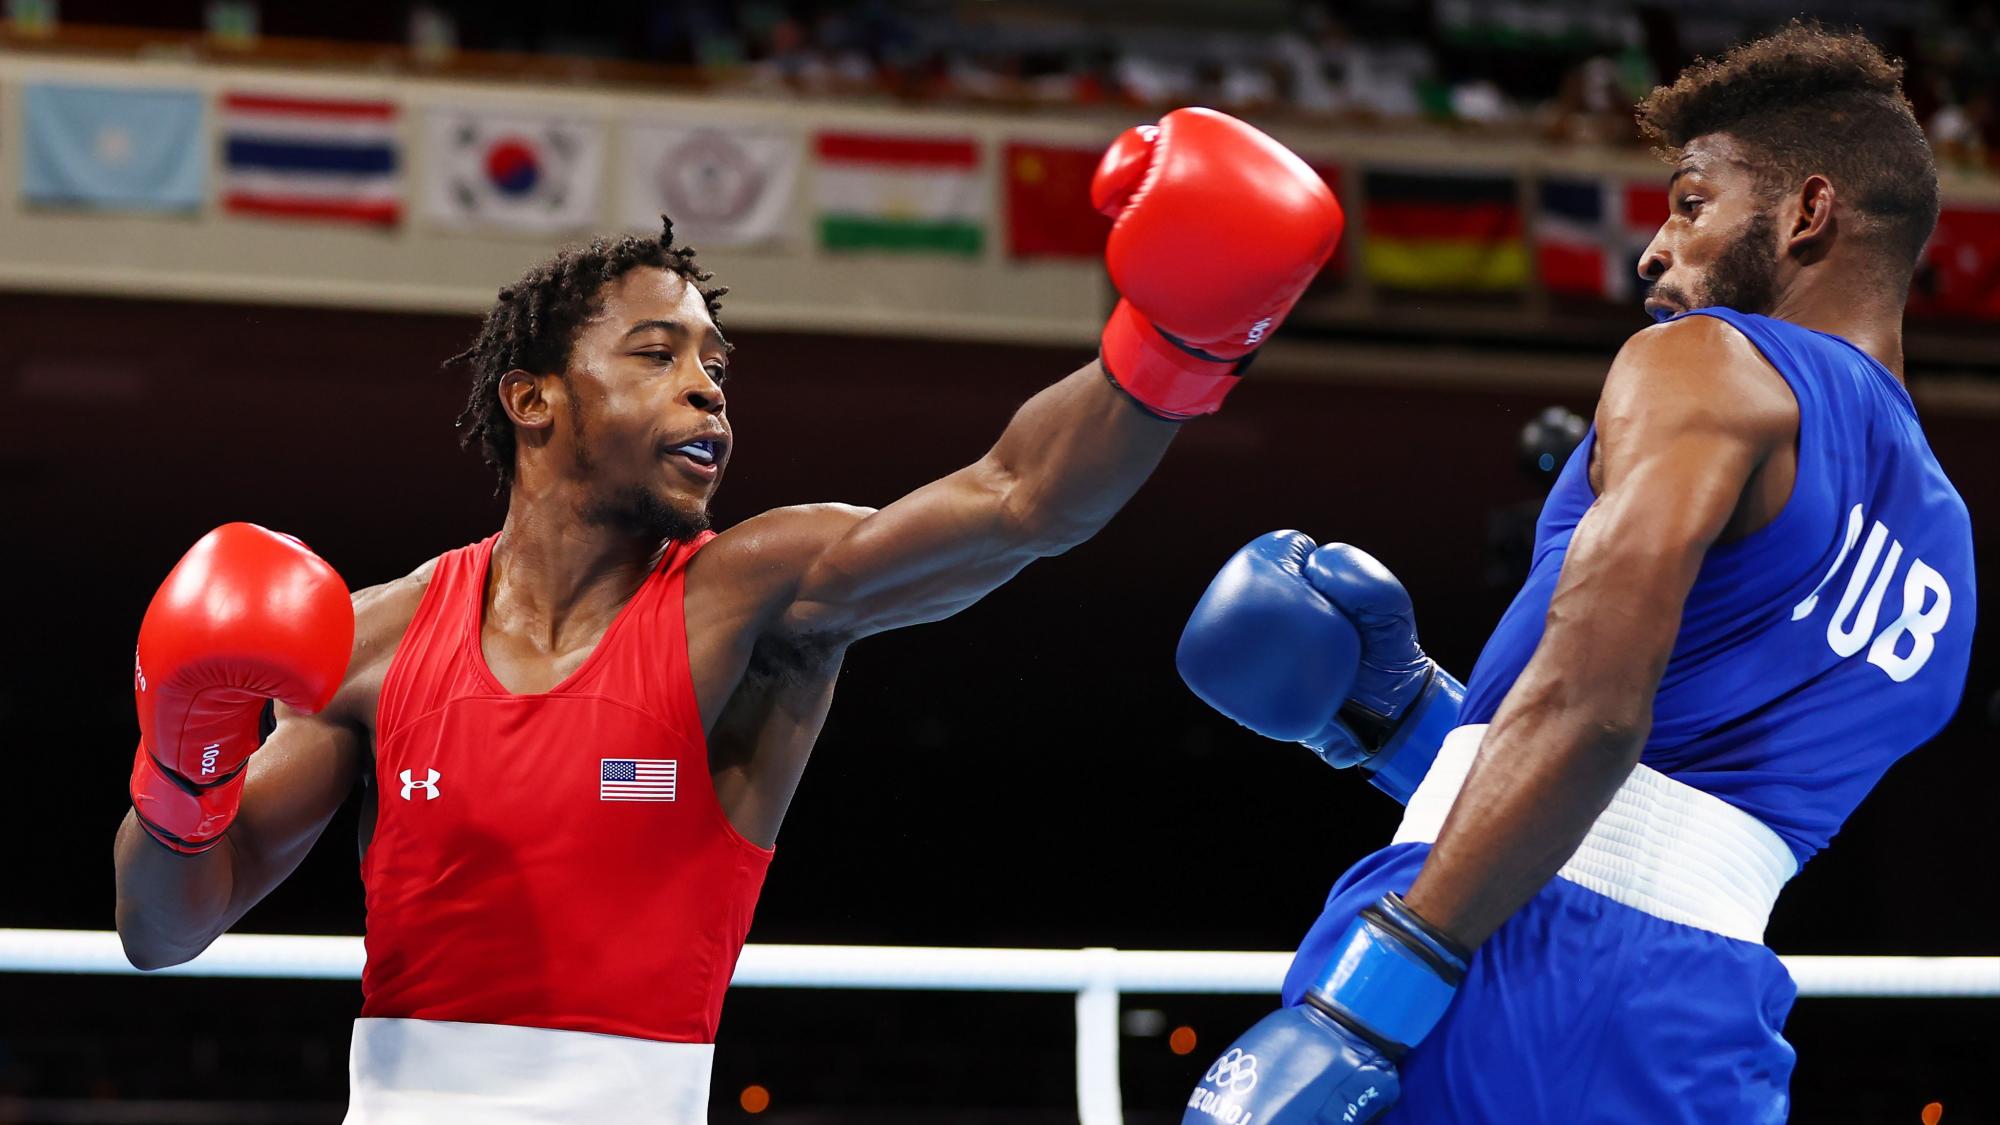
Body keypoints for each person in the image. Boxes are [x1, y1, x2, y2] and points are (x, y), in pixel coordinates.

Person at [113, 108, 1343, 1122]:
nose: (704, 386)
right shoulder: (372, 640)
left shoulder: (750, 595)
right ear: (532, 399)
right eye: (655, 354)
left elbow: (1018, 501)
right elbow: (167, 932)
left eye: (715, 364)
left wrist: (1174, 344)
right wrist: (183, 769)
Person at [1174, 24, 1975, 1123]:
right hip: (1701, 1021)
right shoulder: (1944, 549)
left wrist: (1363, 1007)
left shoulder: (1706, 363)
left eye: (1689, 202)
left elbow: (1593, 717)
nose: (1654, 251)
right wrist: (1407, 724)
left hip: (1483, 961)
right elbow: (1674, 813)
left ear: (1805, 213)